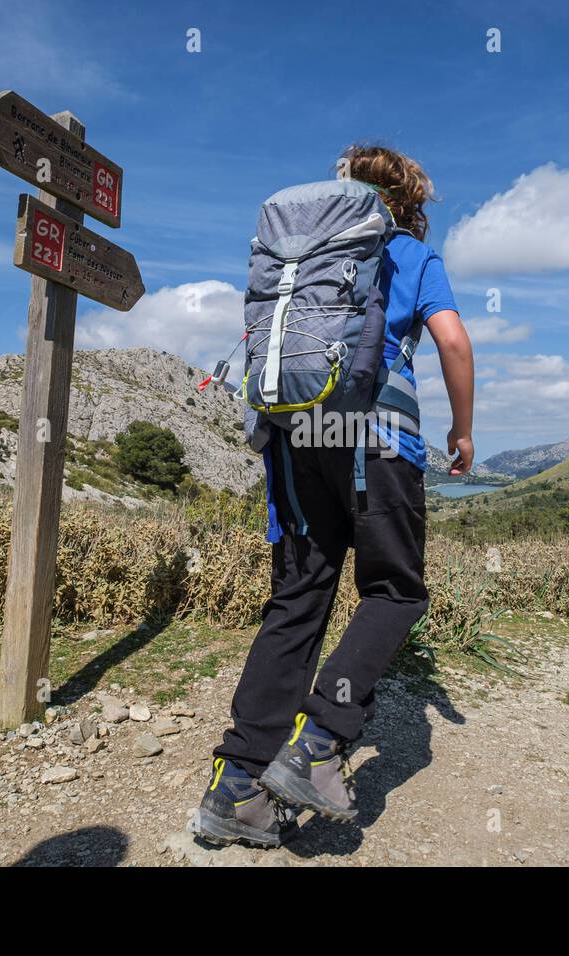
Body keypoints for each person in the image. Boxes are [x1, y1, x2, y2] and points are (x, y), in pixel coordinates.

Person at [194, 145, 476, 848]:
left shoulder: (301, 257)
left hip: (293, 438)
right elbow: (455, 342)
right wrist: (463, 433)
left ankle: (235, 789)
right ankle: (318, 744)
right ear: (410, 200)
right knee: (396, 591)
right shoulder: (404, 252)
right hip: (373, 435)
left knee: (297, 601)